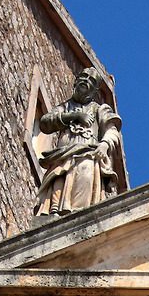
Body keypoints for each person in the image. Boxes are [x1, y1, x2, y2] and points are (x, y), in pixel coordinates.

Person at [33, 67, 123, 220]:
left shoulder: (99, 109)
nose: (86, 80)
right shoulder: (64, 107)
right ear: (76, 81)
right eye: (84, 76)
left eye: (91, 80)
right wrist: (74, 115)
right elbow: (45, 123)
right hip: (62, 157)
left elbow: (113, 130)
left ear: (94, 91)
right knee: (56, 197)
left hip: (87, 156)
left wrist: (104, 145)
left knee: (81, 200)